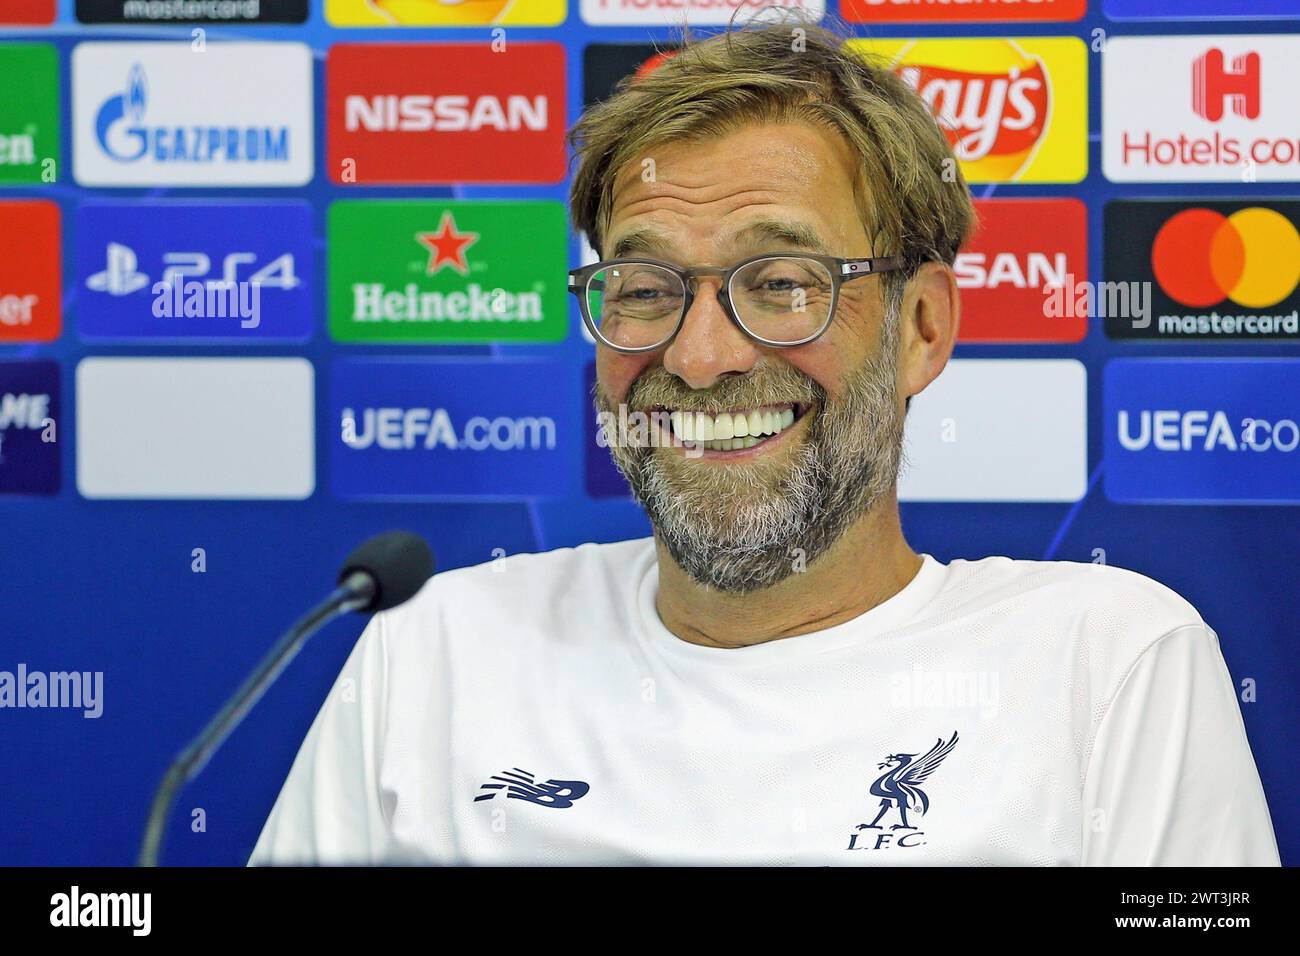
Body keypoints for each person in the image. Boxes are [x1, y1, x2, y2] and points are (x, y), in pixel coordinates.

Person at [249, 23, 1279, 866]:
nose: (698, 356)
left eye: (781, 283)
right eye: (647, 288)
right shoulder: (433, 649)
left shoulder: (1109, 665)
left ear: (922, 328)